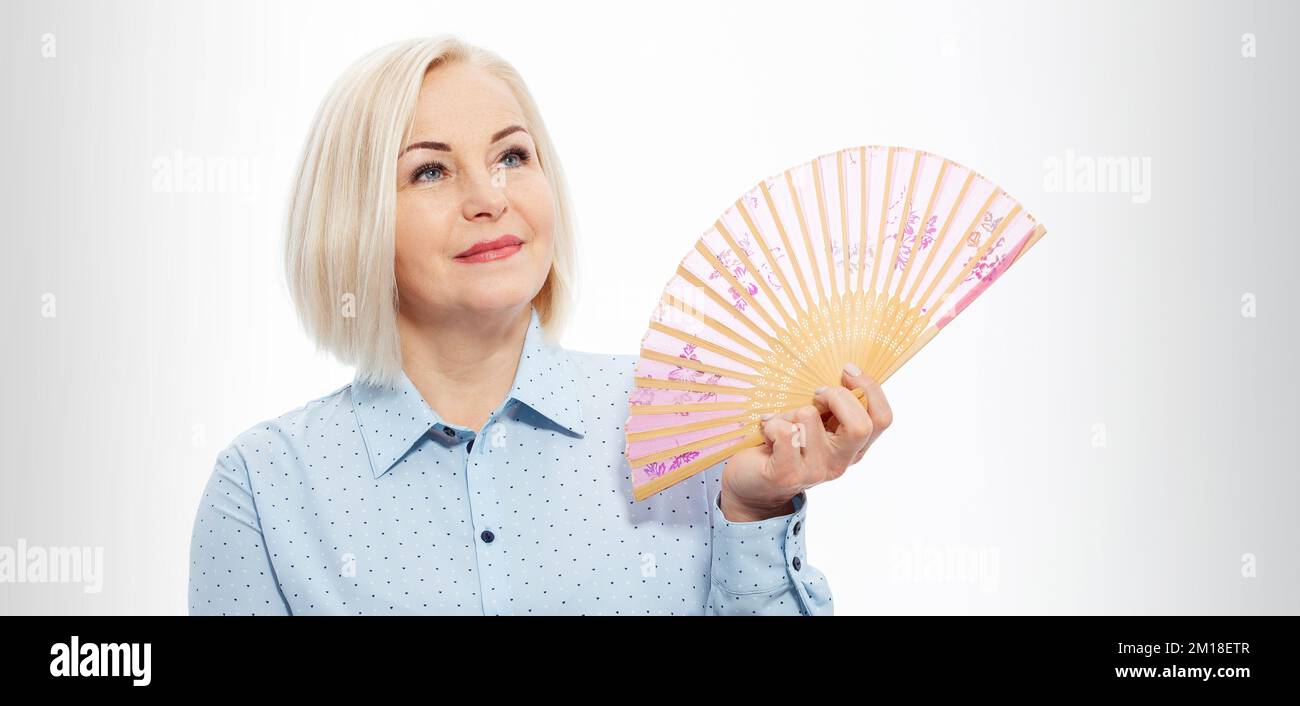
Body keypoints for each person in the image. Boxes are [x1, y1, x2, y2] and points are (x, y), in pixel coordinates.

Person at [187, 35, 892, 616]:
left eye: (511, 157)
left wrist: (756, 509)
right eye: (431, 172)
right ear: (354, 220)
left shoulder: (685, 421)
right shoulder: (265, 487)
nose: (489, 198)